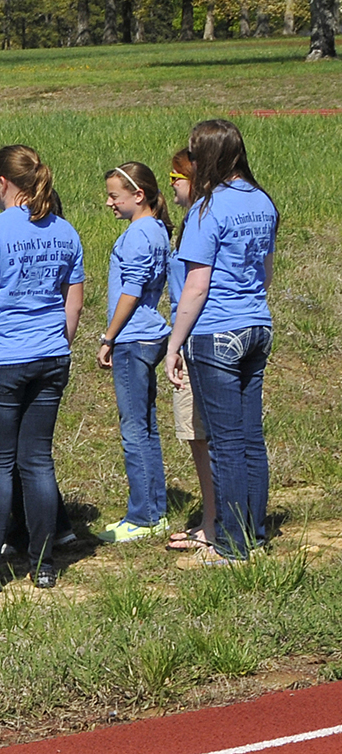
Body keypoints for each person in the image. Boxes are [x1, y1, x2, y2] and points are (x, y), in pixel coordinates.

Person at [0, 146, 84, 593]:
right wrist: (56, 344)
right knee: (37, 461)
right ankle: (44, 565)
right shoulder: (65, 231)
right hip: (51, 356)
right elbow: (75, 301)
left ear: (3, 183)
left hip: (1, 361)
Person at [165, 120, 277, 563]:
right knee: (251, 438)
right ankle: (255, 531)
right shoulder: (262, 201)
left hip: (216, 331)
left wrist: (175, 344)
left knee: (226, 443)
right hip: (257, 325)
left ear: (207, 156)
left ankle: (229, 545)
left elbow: (196, 284)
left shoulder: (207, 208)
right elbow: (266, 270)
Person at [95, 162, 174, 542]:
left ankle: (143, 516)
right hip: (149, 336)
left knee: (134, 430)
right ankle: (154, 510)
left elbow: (131, 290)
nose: (109, 202)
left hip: (133, 338)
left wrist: (109, 336)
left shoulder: (139, 234)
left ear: (138, 195)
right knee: (146, 426)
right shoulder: (156, 229)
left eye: (115, 196)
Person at [164, 149, 216, 552]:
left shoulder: (201, 220)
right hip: (196, 335)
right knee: (201, 437)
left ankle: (215, 523)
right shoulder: (192, 221)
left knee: (204, 437)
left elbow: (193, 290)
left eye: (176, 177)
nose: (172, 186)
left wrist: (175, 343)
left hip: (198, 339)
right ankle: (217, 518)